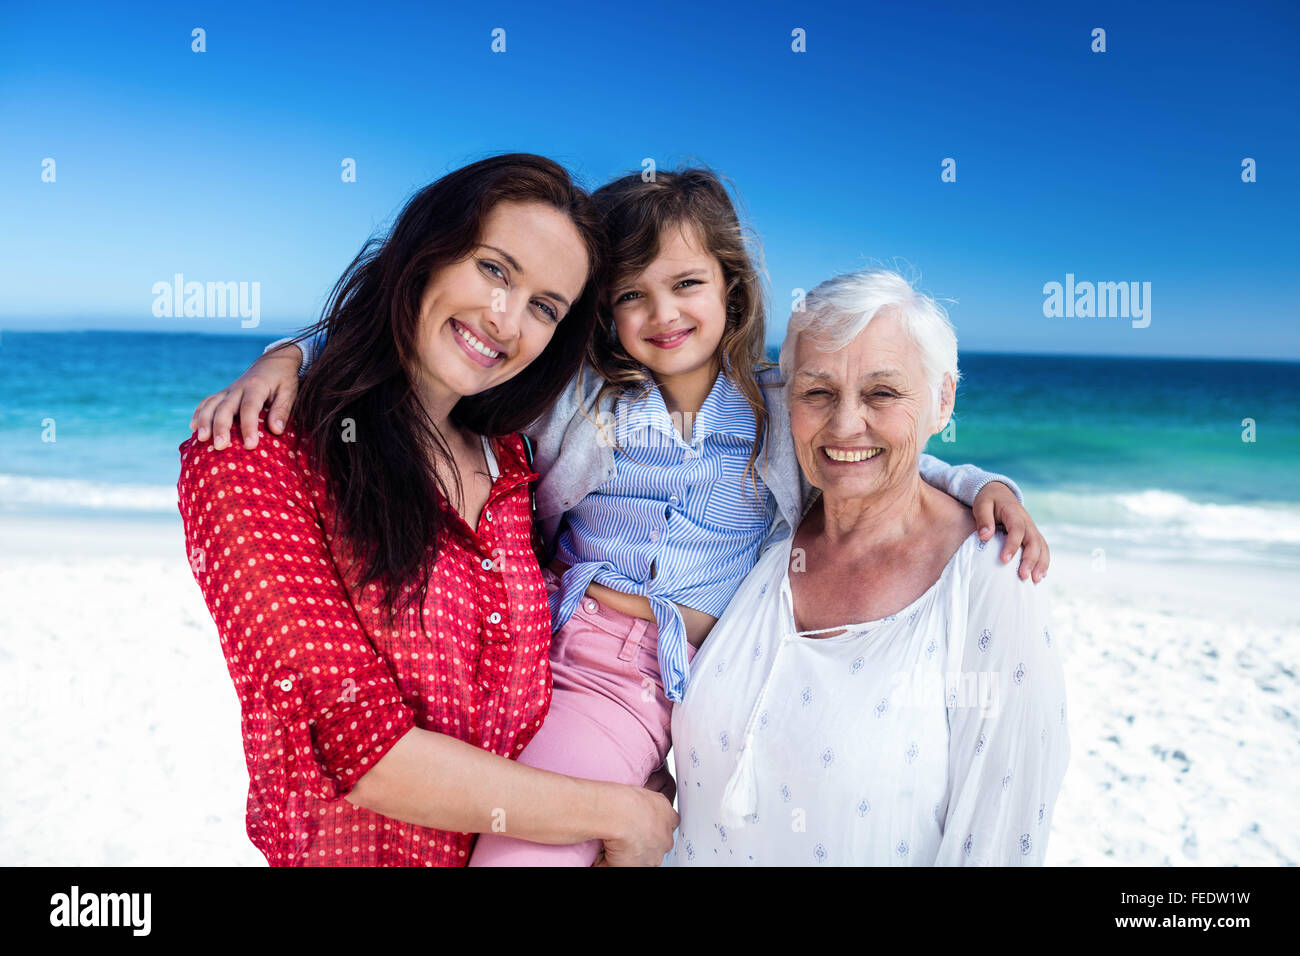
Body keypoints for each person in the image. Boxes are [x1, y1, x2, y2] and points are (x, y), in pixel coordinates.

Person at [191, 168, 1050, 866]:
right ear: (602, 317)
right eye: (630, 296)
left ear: (731, 290)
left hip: (673, 683)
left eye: (686, 286)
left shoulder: (778, 408)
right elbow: (424, 361)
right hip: (583, 661)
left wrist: (979, 485)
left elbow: (865, 438)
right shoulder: (578, 402)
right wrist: (295, 352)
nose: (663, 314)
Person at [179, 153, 680, 867]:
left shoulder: (513, 466)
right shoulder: (254, 454)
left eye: (545, 307)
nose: (505, 320)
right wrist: (616, 812)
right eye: (494, 269)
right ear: (426, 253)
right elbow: (361, 748)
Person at [667, 268, 1070, 865]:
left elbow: (1001, 836)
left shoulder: (992, 574)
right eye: (817, 392)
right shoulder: (764, 527)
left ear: (943, 400)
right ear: (785, 400)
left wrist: (985, 485)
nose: (844, 424)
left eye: (883, 393)